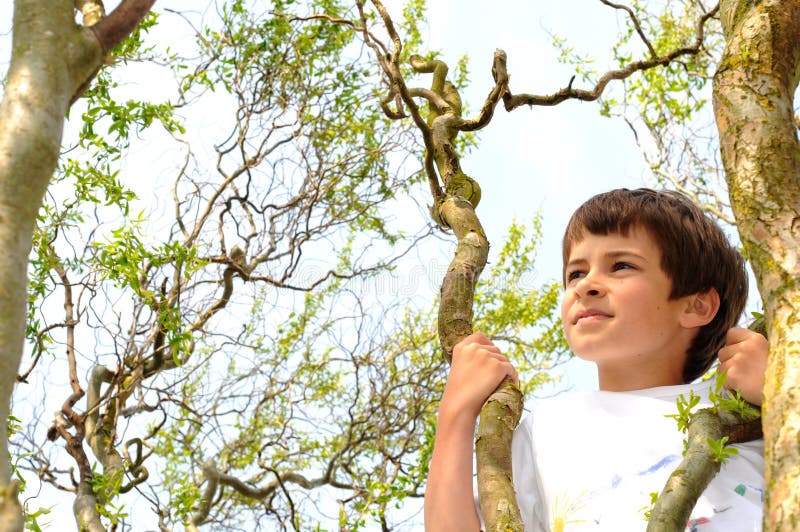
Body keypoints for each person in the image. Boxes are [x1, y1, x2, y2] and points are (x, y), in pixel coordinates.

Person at [424, 188, 768, 531]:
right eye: (575, 273)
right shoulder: (548, 431)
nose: (586, 285)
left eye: (621, 266)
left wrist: (780, 395)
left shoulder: (748, 409)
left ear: (696, 306)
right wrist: (455, 413)